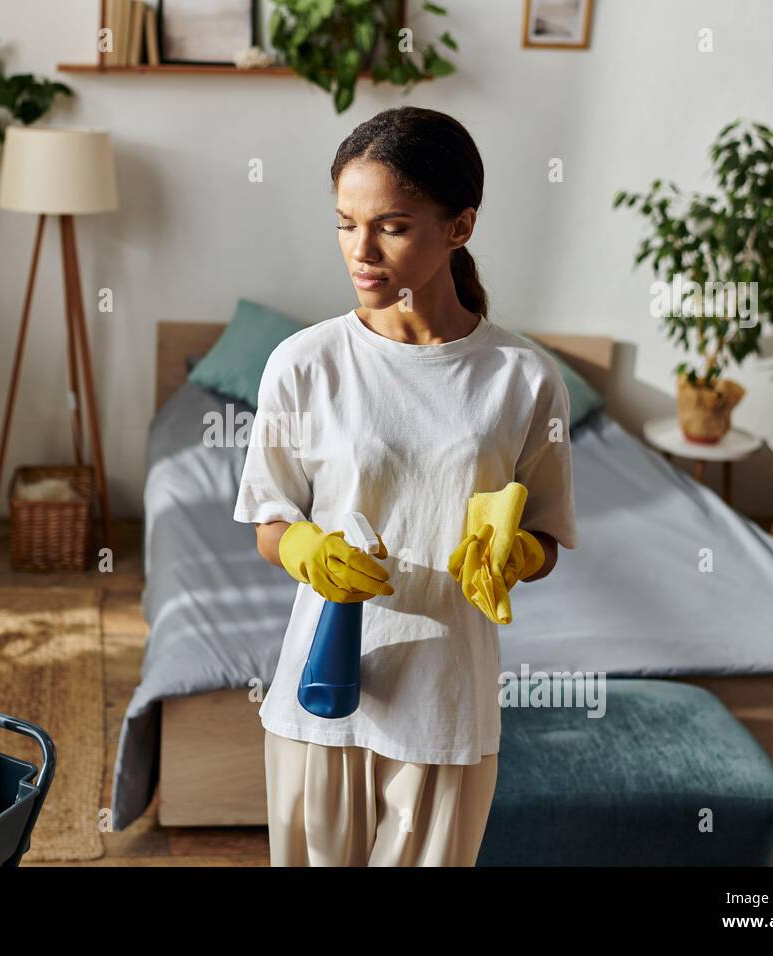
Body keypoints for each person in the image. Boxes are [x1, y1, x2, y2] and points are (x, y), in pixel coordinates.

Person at [232, 106, 578, 866]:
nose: (360, 251)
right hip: (320, 688)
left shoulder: (523, 378)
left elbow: (550, 533)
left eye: (390, 226)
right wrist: (305, 550)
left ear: (460, 227)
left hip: (446, 700)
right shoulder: (303, 362)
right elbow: (268, 516)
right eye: (344, 223)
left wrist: (517, 556)